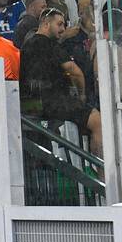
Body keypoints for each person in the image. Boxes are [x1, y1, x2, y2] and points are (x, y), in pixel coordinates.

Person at [19, 8, 104, 155]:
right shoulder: (50, 44)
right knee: (98, 121)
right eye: (59, 24)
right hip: (52, 102)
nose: (63, 29)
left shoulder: (26, 45)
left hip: (30, 104)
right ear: (46, 23)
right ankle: (103, 174)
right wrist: (82, 95)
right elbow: (75, 72)